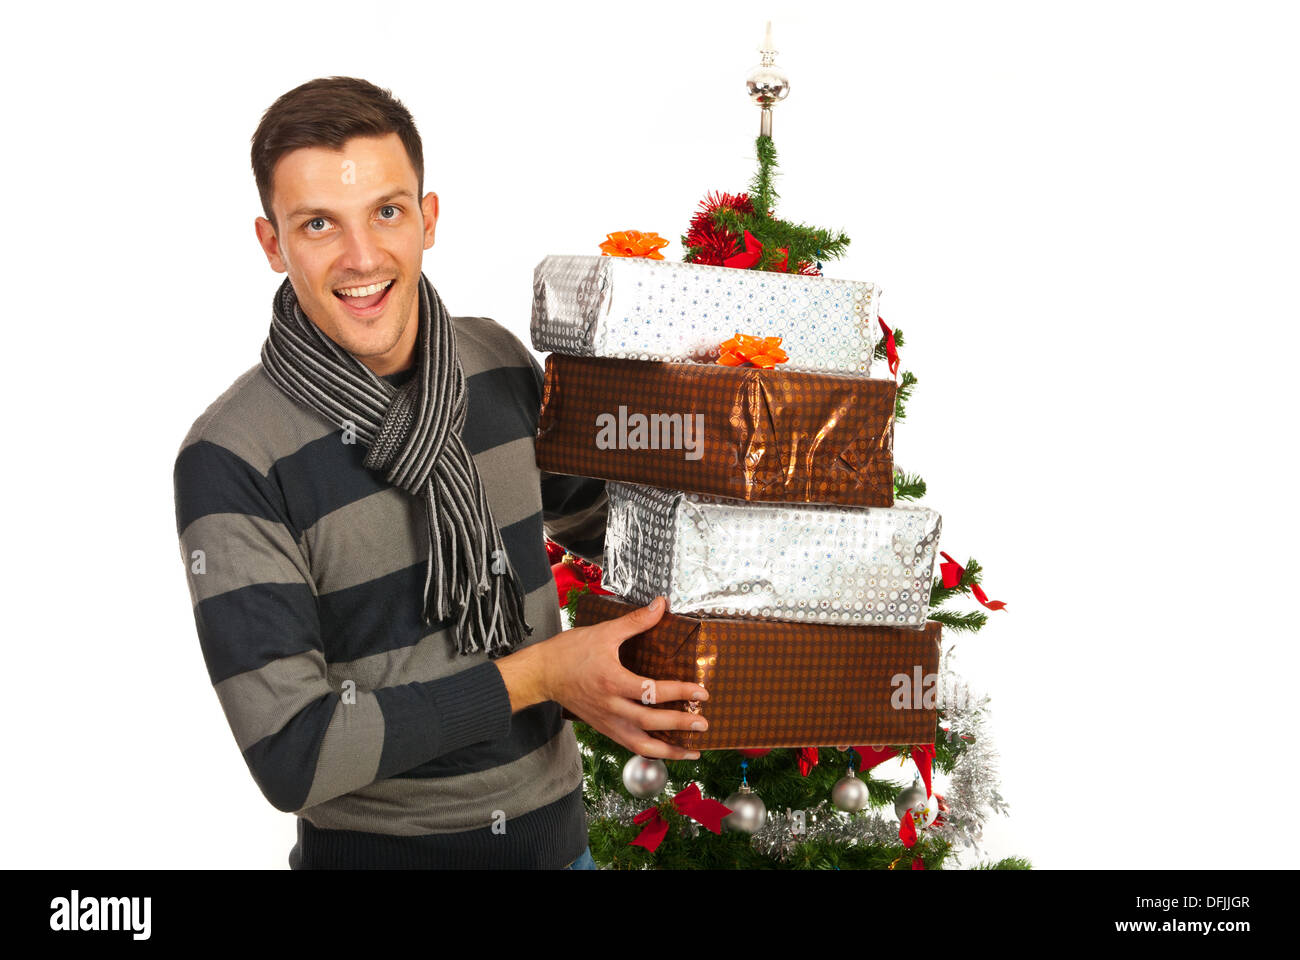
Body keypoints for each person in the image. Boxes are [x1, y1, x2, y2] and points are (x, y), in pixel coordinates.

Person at [172, 76, 708, 870]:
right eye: (318, 223)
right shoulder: (232, 456)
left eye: (387, 212)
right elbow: (294, 754)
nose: (362, 257)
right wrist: (539, 675)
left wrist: (705, 411)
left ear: (428, 218)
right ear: (272, 244)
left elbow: (616, 532)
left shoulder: (497, 365)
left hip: (562, 853)